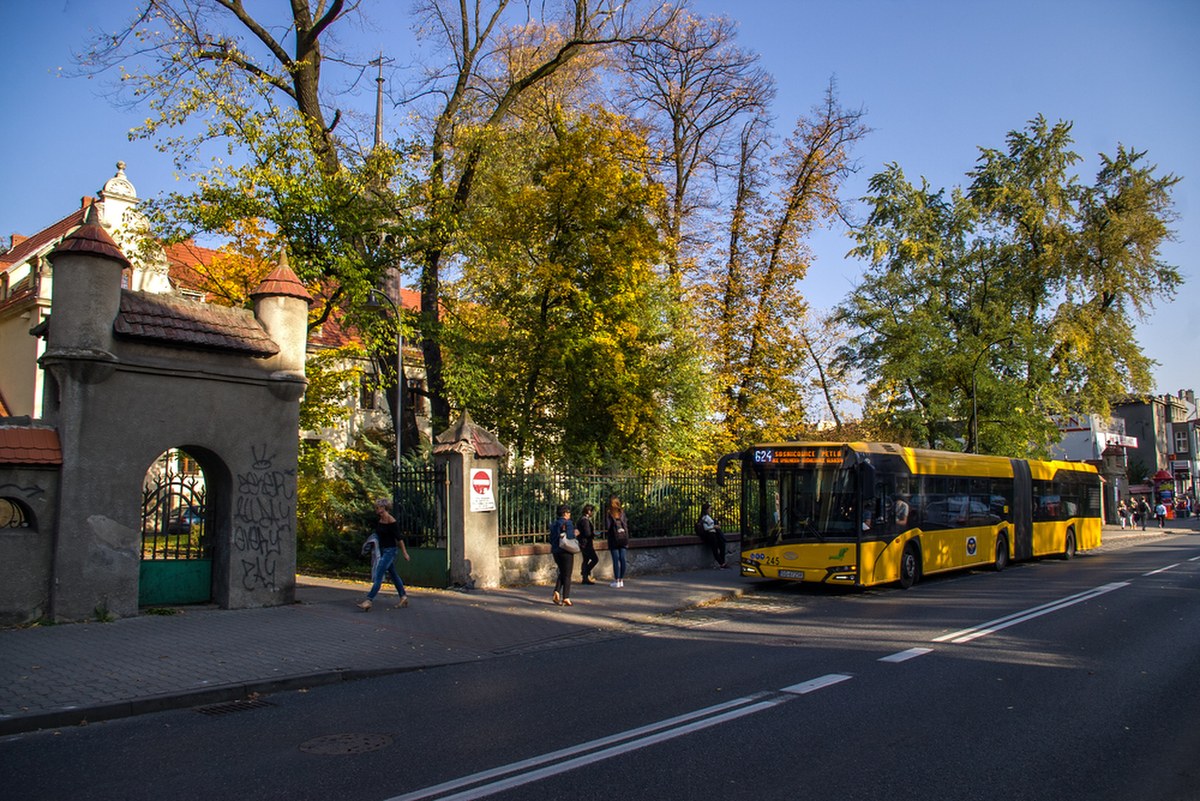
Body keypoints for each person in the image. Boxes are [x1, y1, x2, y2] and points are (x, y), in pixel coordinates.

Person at [357, 498, 411, 611]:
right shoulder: (380, 520)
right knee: (394, 575)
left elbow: (399, 538)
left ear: (384, 508)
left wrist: (405, 553)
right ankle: (403, 596)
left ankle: (368, 600)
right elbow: (378, 534)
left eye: (378, 507)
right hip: (382, 550)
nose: (376, 510)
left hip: (390, 551)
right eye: (376, 507)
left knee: (378, 574)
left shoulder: (391, 521)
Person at [549, 504, 577, 606]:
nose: (570, 514)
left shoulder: (554, 524)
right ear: (565, 513)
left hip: (556, 551)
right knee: (567, 575)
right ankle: (566, 597)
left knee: (562, 572)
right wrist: (575, 534)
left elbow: (551, 539)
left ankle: (556, 591)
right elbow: (570, 536)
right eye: (569, 512)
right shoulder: (568, 523)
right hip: (566, 551)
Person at [605, 494, 630, 588]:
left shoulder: (609, 514)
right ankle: (621, 579)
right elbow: (626, 524)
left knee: (616, 559)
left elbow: (608, 527)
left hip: (614, 539)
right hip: (623, 538)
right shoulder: (622, 512)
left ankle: (617, 580)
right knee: (623, 559)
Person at [695, 502, 728, 569]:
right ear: (706, 509)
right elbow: (706, 528)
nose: (711, 510)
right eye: (709, 508)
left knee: (721, 545)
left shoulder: (707, 517)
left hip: (713, 534)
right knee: (715, 549)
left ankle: (722, 562)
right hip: (710, 535)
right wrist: (714, 527)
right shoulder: (704, 518)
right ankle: (722, 563)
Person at [577, 503, 599, 585]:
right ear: (588, 511)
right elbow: (587, 533)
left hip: (583, 543)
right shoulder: (585, 520)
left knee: (585, 560)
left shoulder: (582, 519)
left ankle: (585, 578)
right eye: (592, 511)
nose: (592, 513)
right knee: (595, 559)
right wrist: (594, 534)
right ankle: (585, 573)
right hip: (586, 543)